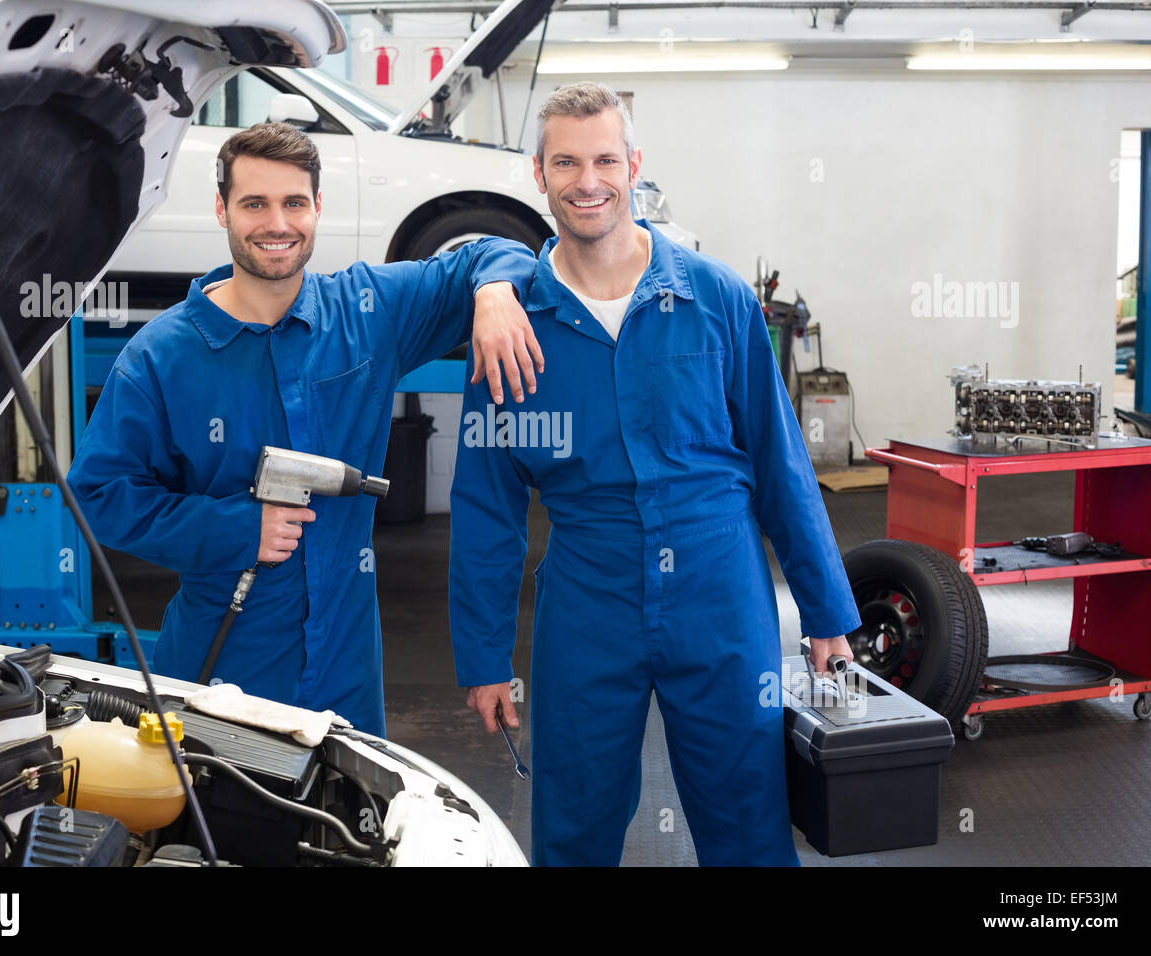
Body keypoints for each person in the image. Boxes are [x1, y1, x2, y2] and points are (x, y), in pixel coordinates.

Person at [448, 83, 861, 865]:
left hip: (719, 587)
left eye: (606, 160)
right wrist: (483, 657)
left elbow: (781, 463)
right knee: (572, 819)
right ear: (539, 173)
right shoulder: (510, 325)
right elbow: (486, 505)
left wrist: (826, 613)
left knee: (747, 814)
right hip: (587, 593)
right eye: (566, 162)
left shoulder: (716, 297)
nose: (588, 181)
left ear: (634, 166)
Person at [67, 121, 542, 737]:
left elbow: (496, 250)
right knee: (216, 800)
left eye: (294, 203)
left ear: (318, 206)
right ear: (222, 210)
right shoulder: (161, 356)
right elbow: (100, 494)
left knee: (346, 801)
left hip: (348, 668)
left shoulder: (368, 312)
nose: (277, 223)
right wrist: (237, 527)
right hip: (224, 664)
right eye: (254, 204)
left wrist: (496, 294)